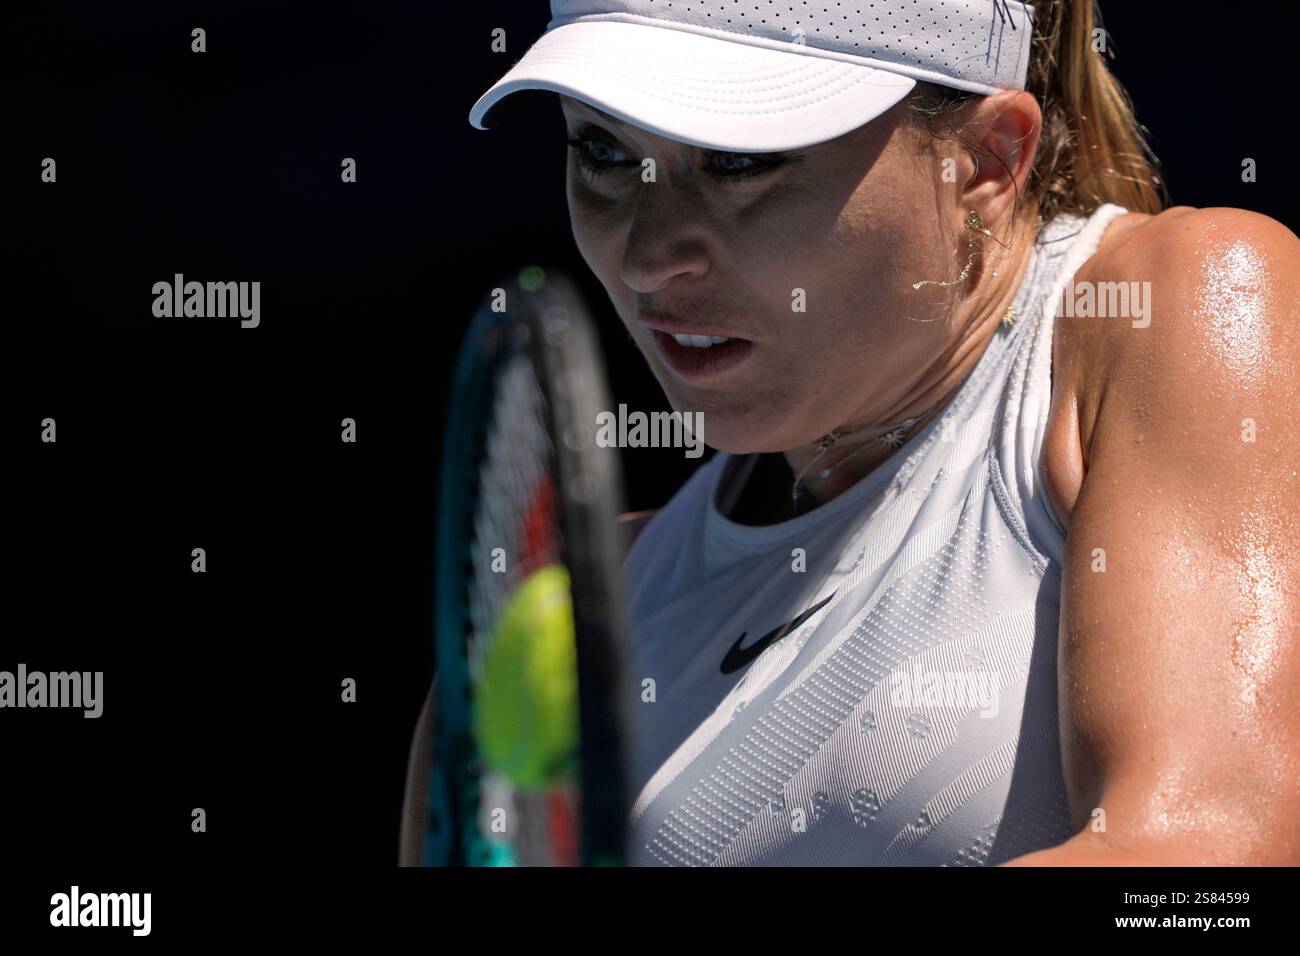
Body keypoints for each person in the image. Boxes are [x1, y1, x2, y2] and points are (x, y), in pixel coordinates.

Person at [402, 0, 1300, 866]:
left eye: (739, 161)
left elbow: (1213, 878)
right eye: (603, 152)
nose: (648, 257)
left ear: (986, 162)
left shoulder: (1188, 300)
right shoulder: (575, 618)